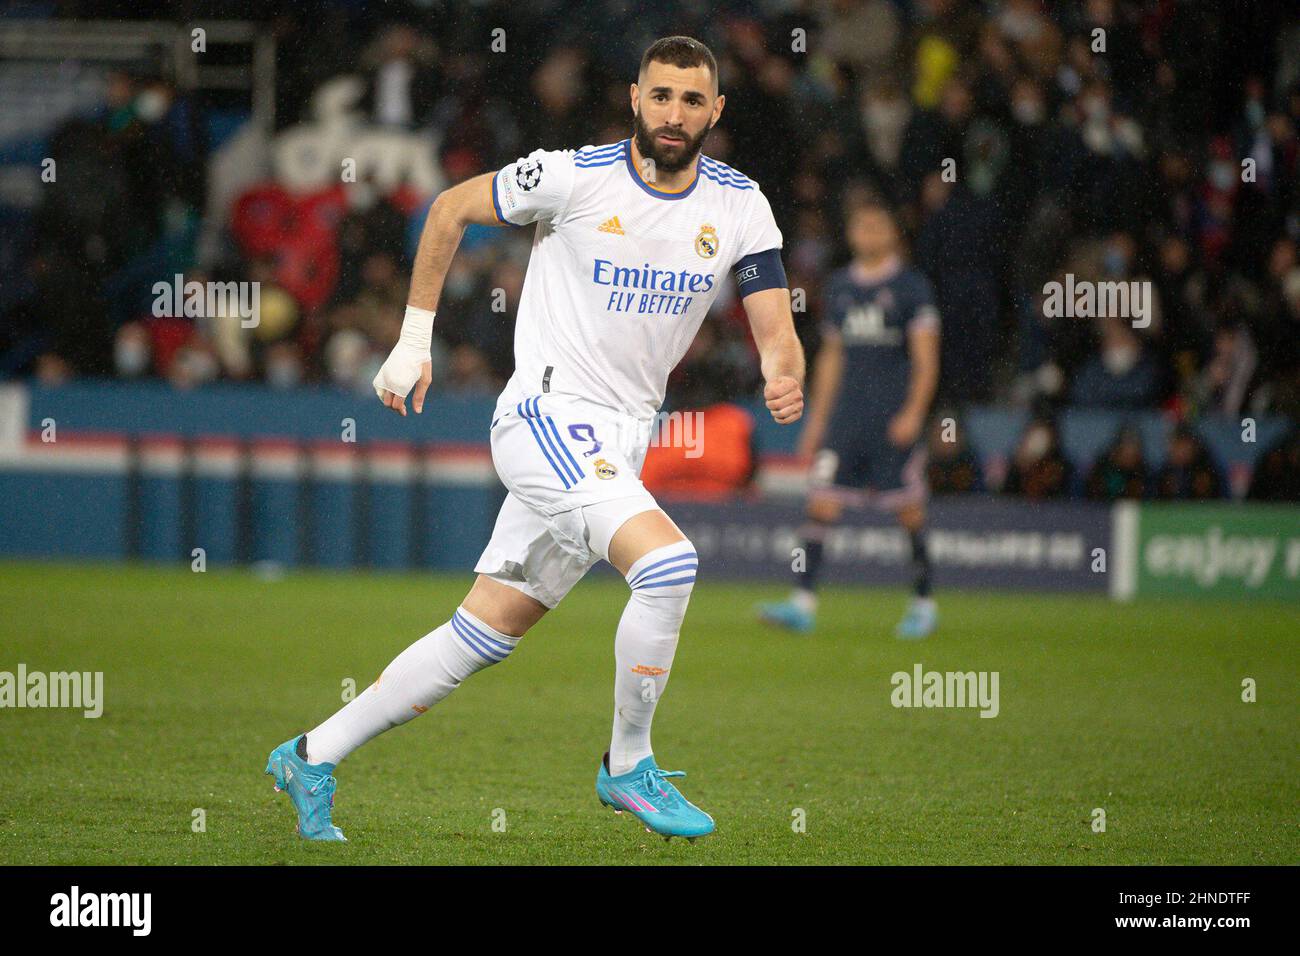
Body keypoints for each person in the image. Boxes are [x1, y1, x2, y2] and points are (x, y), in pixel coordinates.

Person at [264, 36, 805, 842]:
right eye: (660, 95)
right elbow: (448, 207)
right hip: (547, 419)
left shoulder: (739, 202)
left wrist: (781, 367)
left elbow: (774, 318)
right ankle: (628, 767)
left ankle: (312, 752)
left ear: (716, 111)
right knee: (667, 564)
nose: (674, 113)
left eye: (692, 100)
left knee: (482, 634)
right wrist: (414, 343)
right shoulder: (573, 175)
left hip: (616, 445)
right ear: (634, 97)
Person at [757, 201, 940, 639]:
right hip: (846, 421)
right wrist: (816, 422)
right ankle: (802, 603)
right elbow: (832, 360)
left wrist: (914, 413)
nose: (869, 232)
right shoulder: (839, 287)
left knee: (909, 513)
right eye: (861, 223)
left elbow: (926, 359)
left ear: (893, 233)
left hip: (891, 419)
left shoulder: (912, 288)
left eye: (877, 223)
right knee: (820, 505)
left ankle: (923, 603)